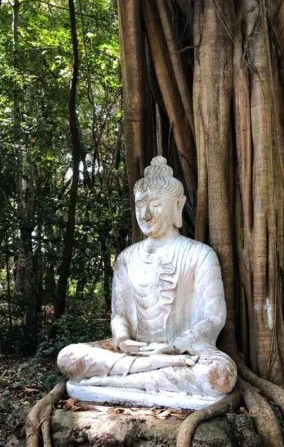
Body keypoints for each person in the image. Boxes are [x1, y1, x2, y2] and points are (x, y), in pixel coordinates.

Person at [57, 156, 237, 409]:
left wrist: (173, 347)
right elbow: (119, 314)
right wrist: (122, 338)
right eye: (140, 205)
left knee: (219, 375)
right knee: (69, 356)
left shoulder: (200, 254)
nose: (146, 214)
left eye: (155, 205)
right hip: (135, 353)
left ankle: (111, 383)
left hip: (184, 353)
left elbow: (213, 317)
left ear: (178, 205)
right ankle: (151, 371)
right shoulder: (126, 258)